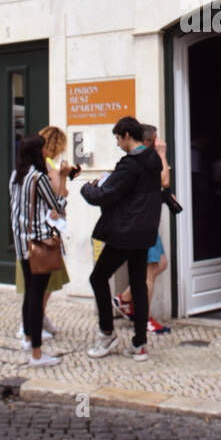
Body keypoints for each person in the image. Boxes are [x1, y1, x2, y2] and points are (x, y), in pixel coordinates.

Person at [81, 116, 163, 361]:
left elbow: (106, 194)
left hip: (125, 232)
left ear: (127, 135)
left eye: (118, 138)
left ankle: (107, 333)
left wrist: (88, 188)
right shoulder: (153, 161)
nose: (117, 143)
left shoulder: (130, 164)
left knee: (98, 277)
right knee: (138, 284)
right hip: (144, 231)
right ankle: (139, 343)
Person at [13, 125, 75, 346]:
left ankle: (30, 335)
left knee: (32, 291)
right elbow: (57, 202)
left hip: (22, 241)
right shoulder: (39, 176)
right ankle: (34, 346)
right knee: (37, 291)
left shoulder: (16, 175)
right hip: (40, 240)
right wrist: (65, 178)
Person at [114, 123, 171, 334]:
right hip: (143, 221)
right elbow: (164, 180)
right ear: (149, 141)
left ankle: (124, 299)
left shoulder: (139, 159)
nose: (159, 142)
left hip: (145, 219)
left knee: (160, 263)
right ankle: (143, 317)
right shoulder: (146, 158)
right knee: (148, 271)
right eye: (156, 139)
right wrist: (162, 154)